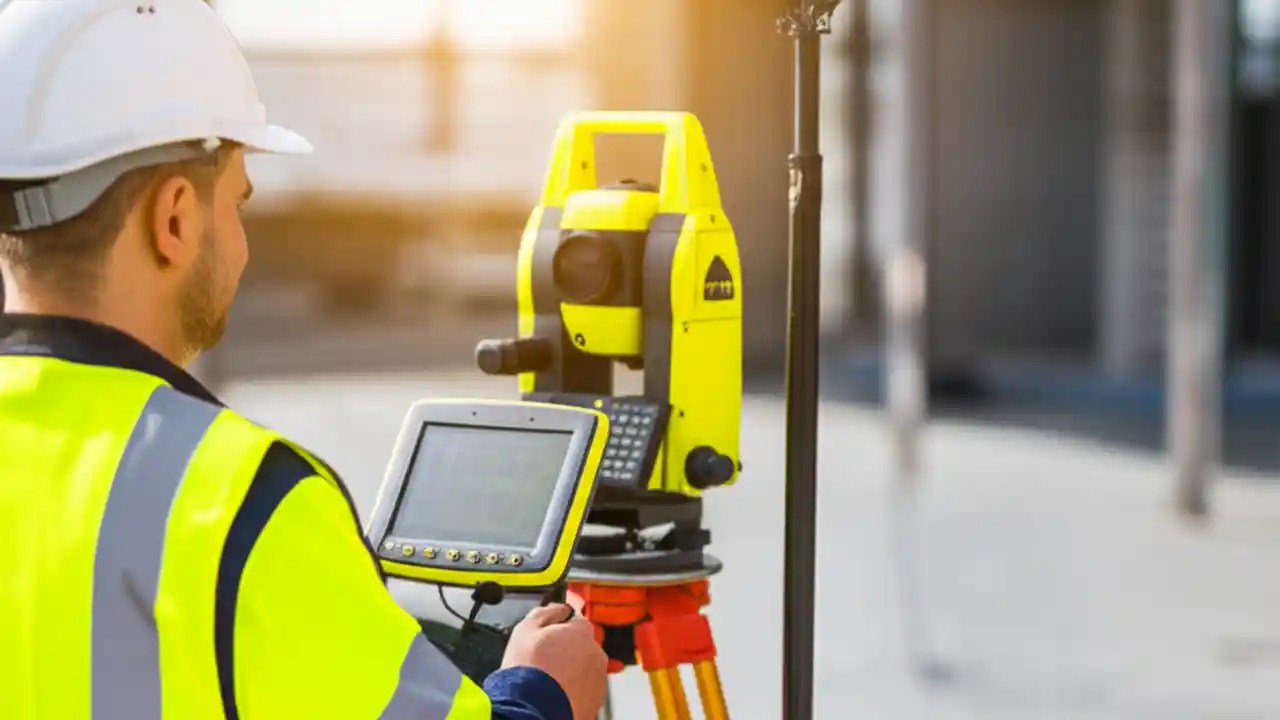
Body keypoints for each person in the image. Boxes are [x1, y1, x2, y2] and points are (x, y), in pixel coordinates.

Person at [0, 1, 608, 719]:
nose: (243, 245)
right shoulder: (242, 502)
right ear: (175, 219)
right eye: (238, 205)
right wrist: (540, 690)